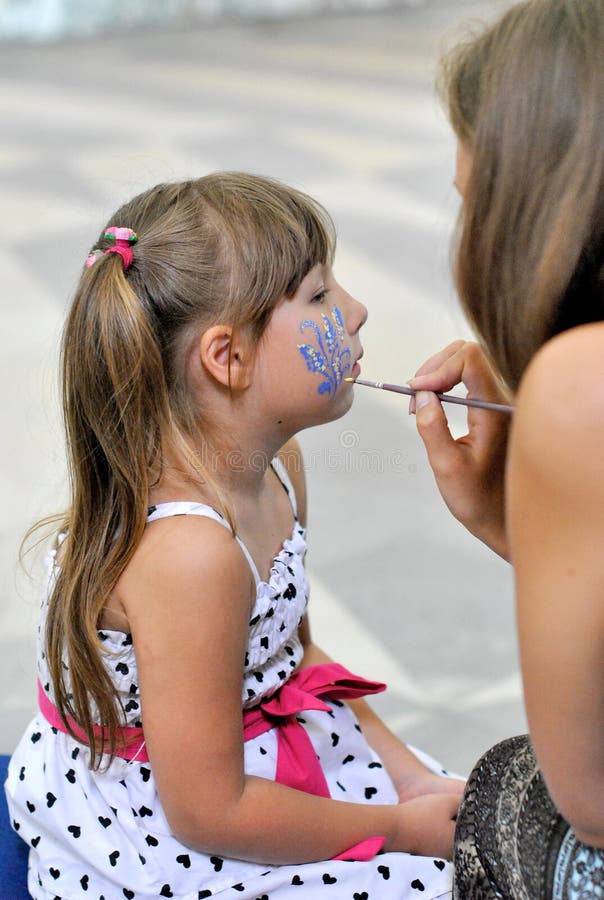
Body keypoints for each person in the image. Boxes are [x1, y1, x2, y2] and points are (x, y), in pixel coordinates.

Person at [5, 172, 463, 899]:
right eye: (320, 296)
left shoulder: (280, 466)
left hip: (250, 758)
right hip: (169, 831)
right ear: (228, 358)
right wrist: (399, 828)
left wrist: (409, 780)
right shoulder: (191, 556)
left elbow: (296, 658)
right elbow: (209, 814)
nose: (357, 310)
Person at [407, 0, 604, 896]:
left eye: (472, 202)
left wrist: (523, 512)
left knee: (499, 791)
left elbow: (591, 796)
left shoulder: (579, 381)